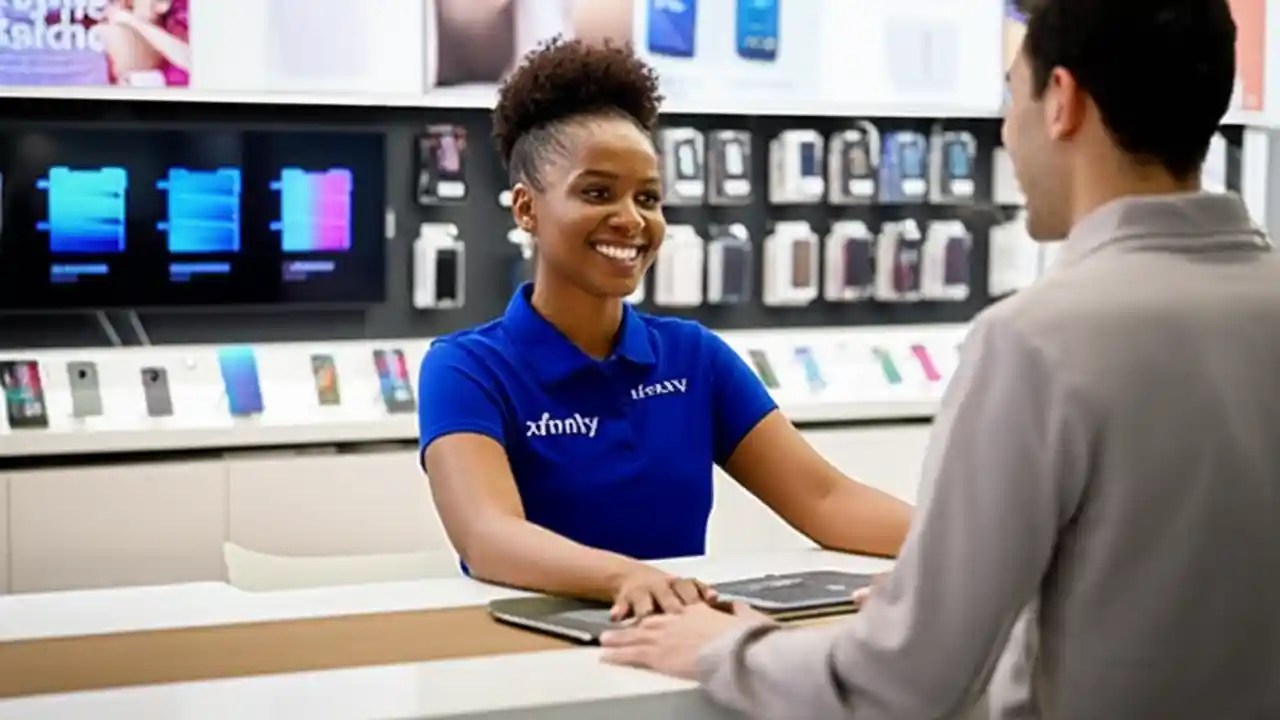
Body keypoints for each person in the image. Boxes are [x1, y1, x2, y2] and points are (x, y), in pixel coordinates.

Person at [600, 1, 1280, 718]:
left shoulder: (1039, 341)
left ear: (1062, 103)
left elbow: (900, 687)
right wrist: (975, 598)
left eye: (1010, 94)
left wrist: (723, 647)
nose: (1004, 129)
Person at [417, 37, 913, 620]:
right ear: (527, 209)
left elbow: (827, 499)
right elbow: (487, 535)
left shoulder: (693, 357)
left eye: (648, 197)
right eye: (597, 192)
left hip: (672, 638)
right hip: (532, 649)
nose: (631, 219)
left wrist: (968, 549)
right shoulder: (465, 369)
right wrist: (627, 577)